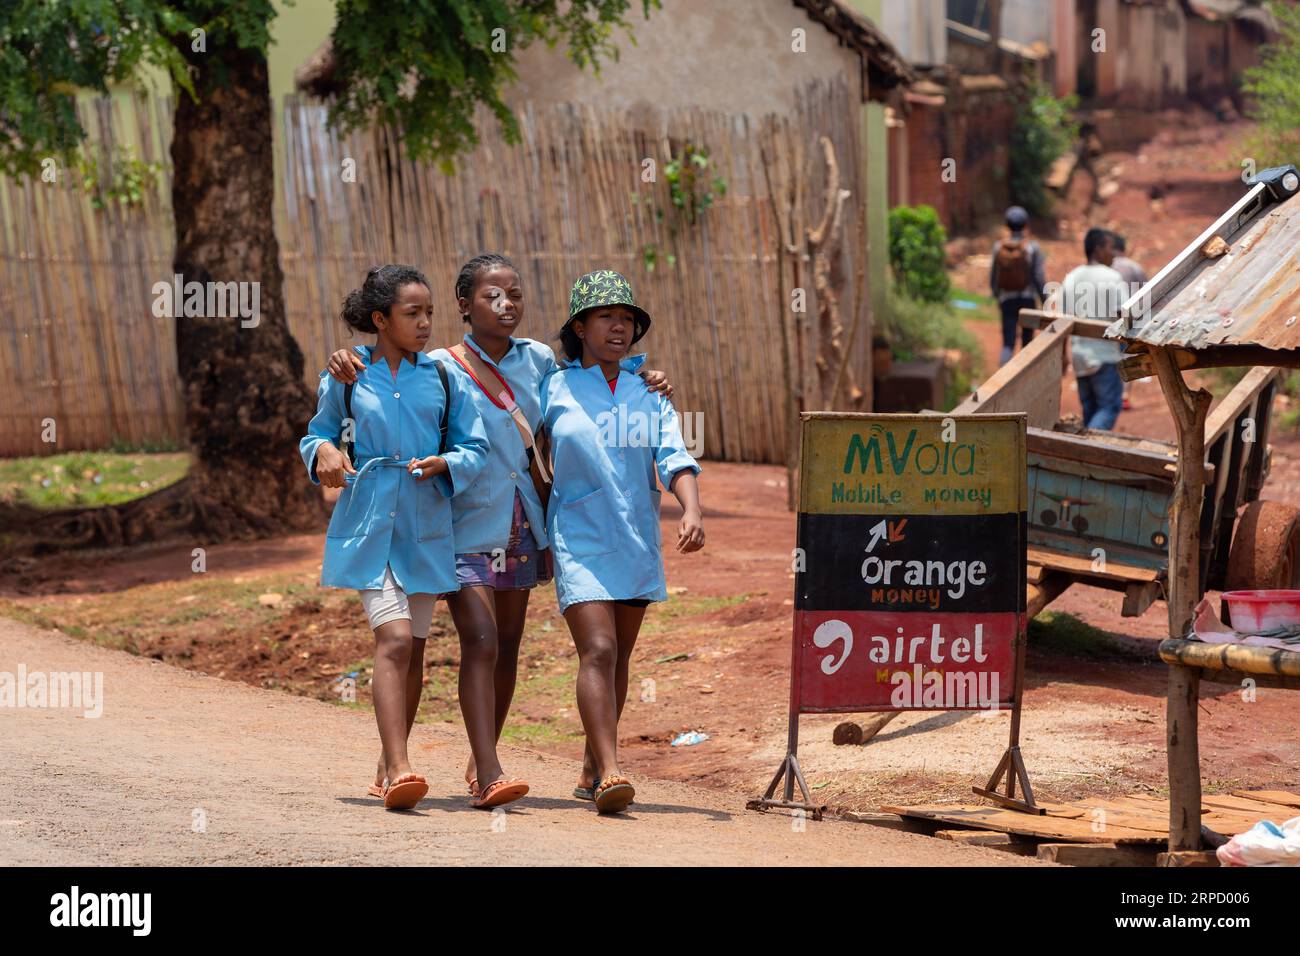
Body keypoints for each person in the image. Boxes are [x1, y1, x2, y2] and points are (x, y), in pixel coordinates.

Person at [325, 255, 674, 808]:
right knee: (473, 641)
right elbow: (379, 384)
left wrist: (641, 374)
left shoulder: (538, 361)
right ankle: (450, 766)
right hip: (457, 521)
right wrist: (347, 360)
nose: (507, 305)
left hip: (522, 521)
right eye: (492, 296)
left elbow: (588, 383)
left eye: (515, 295)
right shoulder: (439, 365)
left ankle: (459, 762)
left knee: (505, 645)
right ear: (464, 306)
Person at [300, 265, 489, 810]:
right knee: (396, 640)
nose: (426, 322)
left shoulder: (446, 378)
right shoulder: (346, 374)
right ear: (381, 319)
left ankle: (387, 766)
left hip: (427, 530)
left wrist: (446, 463)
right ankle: (404, 767)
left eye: (429, 312)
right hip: (368, 525)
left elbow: (474, 447)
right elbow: (317, 433)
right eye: (413, 313)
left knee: (415, 653)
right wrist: (326, 454)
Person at [540, 270, 705, 815]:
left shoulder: (647, 391)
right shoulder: (553, 386)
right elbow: (520, 444)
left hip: (636, 537)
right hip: (578, 536)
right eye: (606, 316)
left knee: (621, 657)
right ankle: (612, 771)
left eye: (627, 318)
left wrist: (691, 509)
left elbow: (674, 456)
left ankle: (591, 765)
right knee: (599, 649)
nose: (619, 326)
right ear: (580, 327)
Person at [1061, 228, 1128, 430]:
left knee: (1090, 410)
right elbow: (1123, 316)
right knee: (1109, 407)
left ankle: (1083, 450)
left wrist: (1063, 356)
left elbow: (1063, 321)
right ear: (1098, 249)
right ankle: (1086, 447)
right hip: (1105, 356)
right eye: (1110, 248)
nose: (1113, 253)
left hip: (1080, 358)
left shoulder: (1071, 278)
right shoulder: (1113, 277)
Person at [990, 205, 1048, 366]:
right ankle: (1025, 382)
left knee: (1008, 343)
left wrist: (997, 295)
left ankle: (1002, 379)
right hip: (1027, 301)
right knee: (1027, 344)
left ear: (1007, 225)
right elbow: (1038, 276)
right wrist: (1045, 300)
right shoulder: (1032, 247)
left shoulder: (998, 247)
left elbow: (994, 276)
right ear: (1025, 224)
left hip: (1006, 300)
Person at [1108, 232, 1148, 411]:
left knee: (1109, 354)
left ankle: (1110, 394)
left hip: (1106, 318)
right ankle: (1124, 395)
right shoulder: (1133, 267)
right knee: (1126, 353)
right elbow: (1146, 292)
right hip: (1127, 318)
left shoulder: (1105, 267)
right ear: (1123, 248)